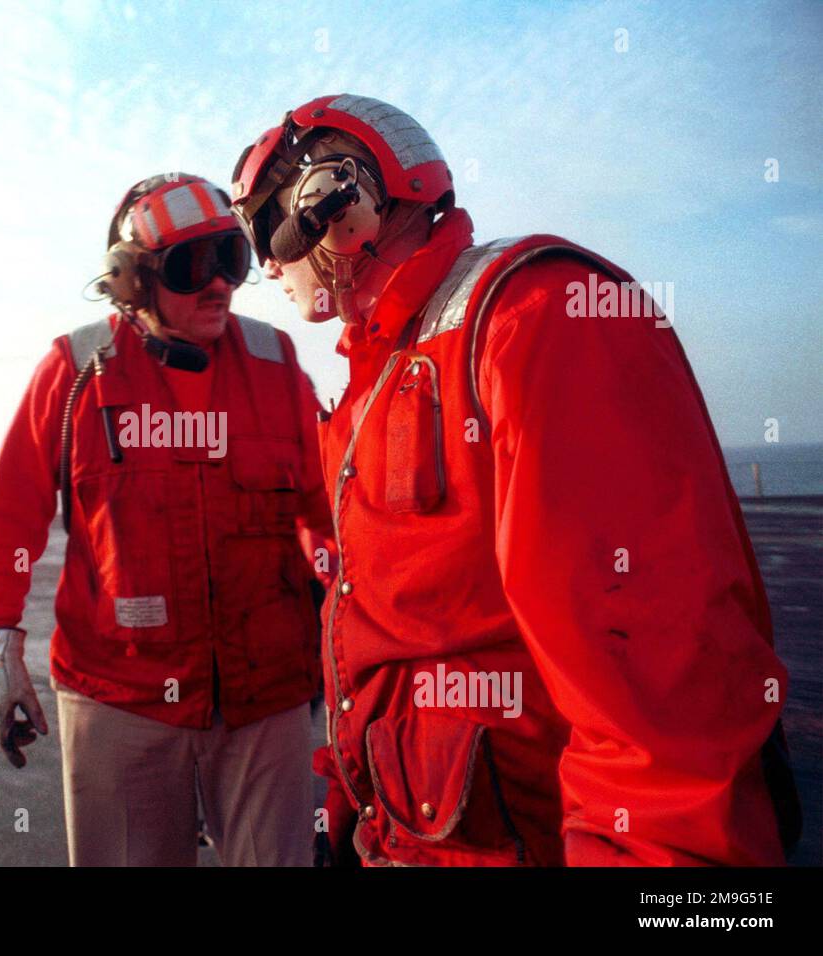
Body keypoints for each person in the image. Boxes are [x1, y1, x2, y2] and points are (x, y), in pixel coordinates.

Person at [230, 94, 799, 867]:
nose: (265, 264)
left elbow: (661, 702)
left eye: (269, 229)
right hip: (409, 840)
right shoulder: (368, 387)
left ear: (336, 200)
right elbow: (374, 637)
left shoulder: (540, 317)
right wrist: (347, 805)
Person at [0, 173, 335, 866]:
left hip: (266, 699)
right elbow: (8, 519)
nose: (220, 285)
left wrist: (349, 618)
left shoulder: (276, 364)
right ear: (134, 282)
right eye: (195, 267)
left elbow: (327, 512)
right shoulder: (75, 371)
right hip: (120, 700)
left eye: (231, 260)